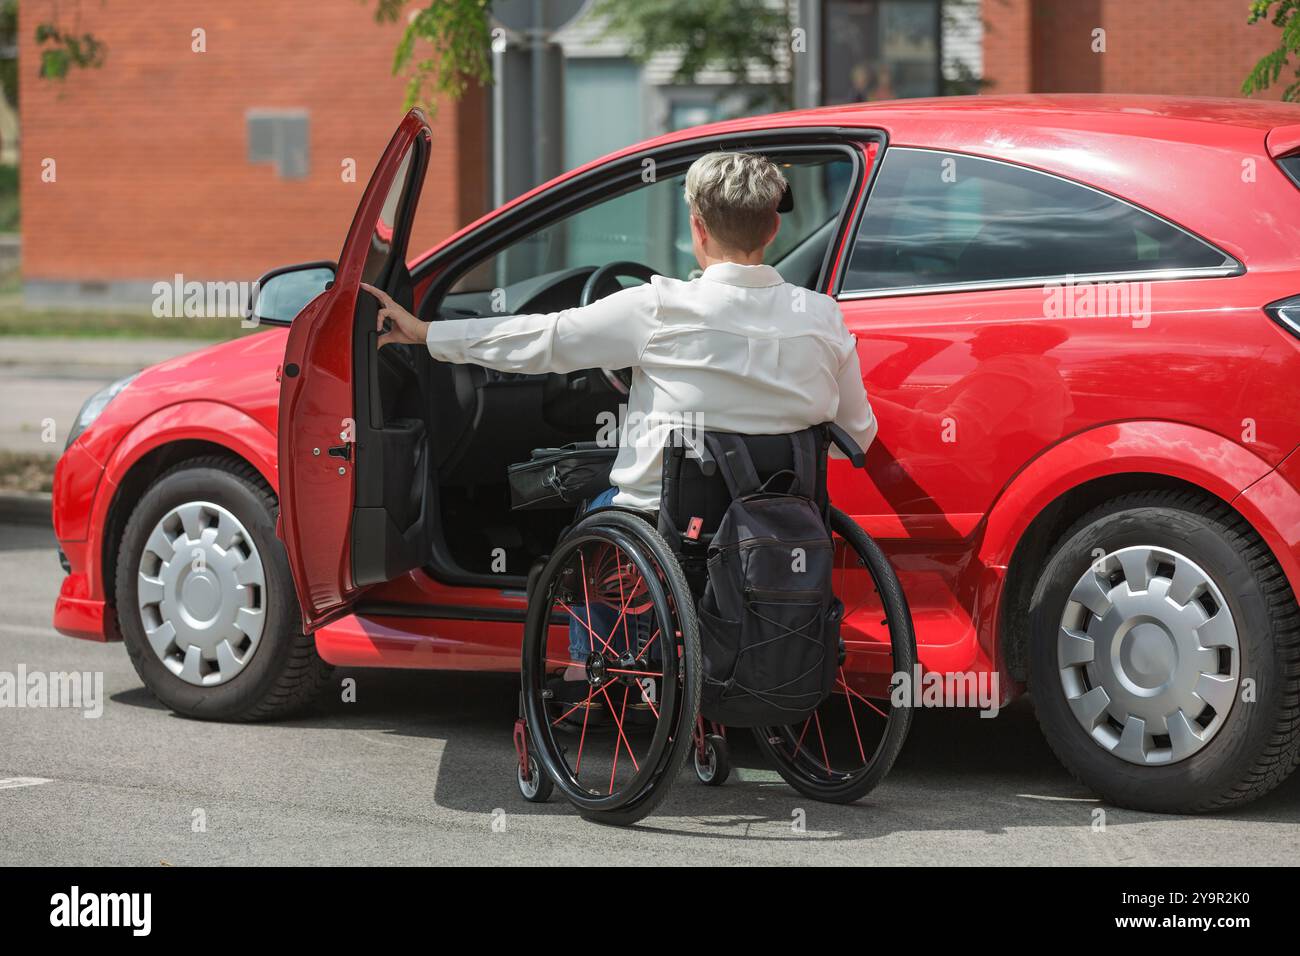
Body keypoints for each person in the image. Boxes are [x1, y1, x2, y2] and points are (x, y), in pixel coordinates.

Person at [362, 150, 877, 719]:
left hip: (671, 525)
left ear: (698, 228)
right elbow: (859, 431)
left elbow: (543, 340)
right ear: (775, 226)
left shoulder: (657, 308)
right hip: (780, 524)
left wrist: (426, 334)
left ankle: (600, 669)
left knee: (590, 523)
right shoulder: (823, 317)